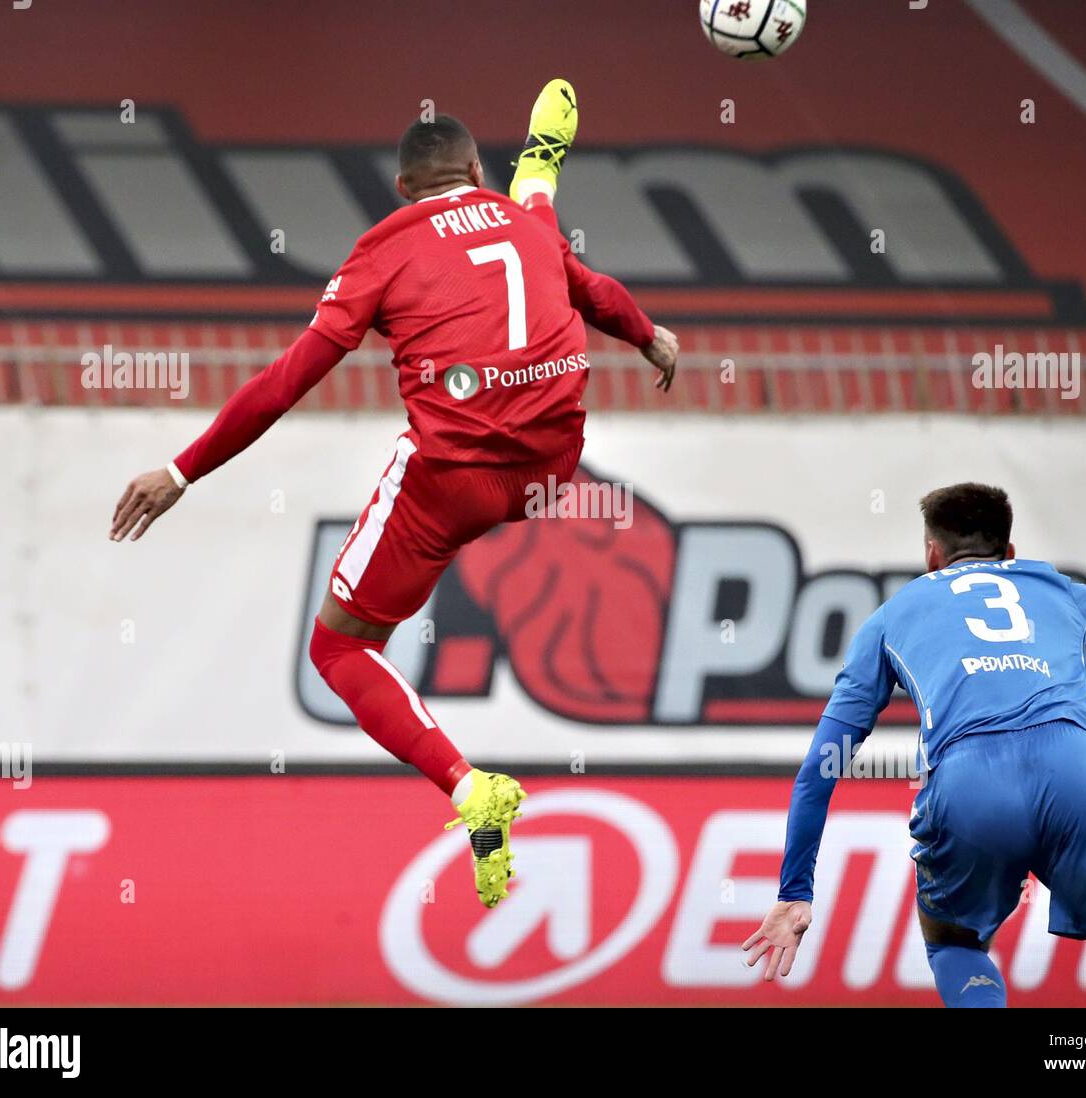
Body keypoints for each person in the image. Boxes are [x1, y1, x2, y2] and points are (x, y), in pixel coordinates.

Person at [109, 80, 679, 908]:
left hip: (454, 479)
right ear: (476, 171)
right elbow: (594, 293)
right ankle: (542, 165)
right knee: (545, 235)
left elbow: (285, 383)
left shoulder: (385, 246)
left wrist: (182, 470)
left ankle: (468, 788)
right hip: (553, 466)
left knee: (338, 649)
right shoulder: (522, 226)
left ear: (404, 189)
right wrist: (650, 335)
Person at [742, 483, 1086, 1007]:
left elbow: (821, 767)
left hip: (968, 785)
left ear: (931, 553)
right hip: (1075, 775)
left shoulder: (892, 616)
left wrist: (794, 892)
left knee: (954, 942)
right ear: (1008, 552)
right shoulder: (1054, 588)